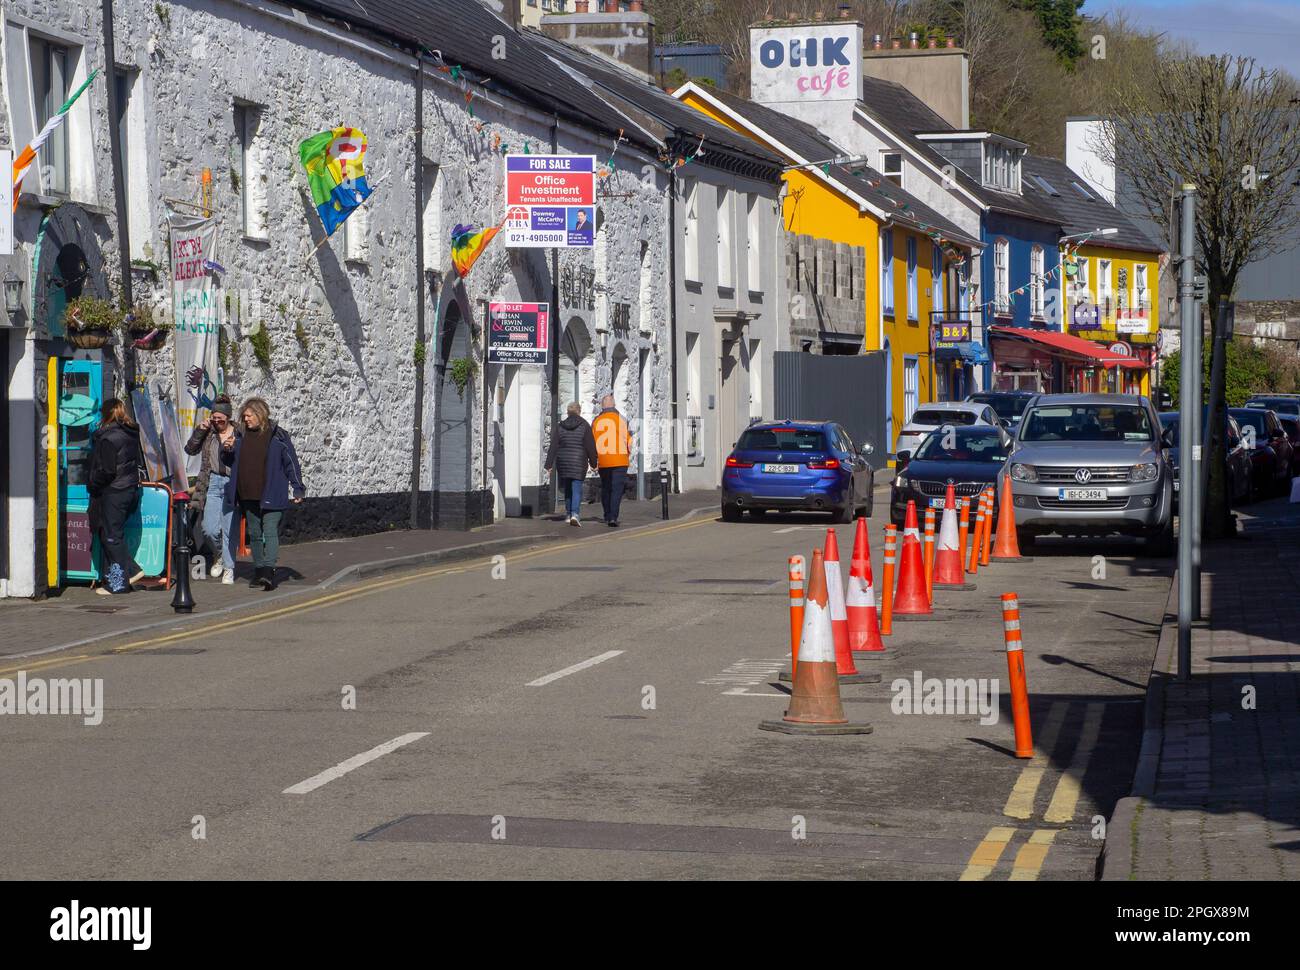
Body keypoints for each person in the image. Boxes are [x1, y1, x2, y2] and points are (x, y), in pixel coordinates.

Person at [221, 397, 305, 591]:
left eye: (249, 415)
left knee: (269, 530)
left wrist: (298, 487)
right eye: (244, 416)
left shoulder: (278, 436)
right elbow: (228, 461)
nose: (246, 419)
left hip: (272, 493)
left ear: (260, 414)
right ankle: (259, 571)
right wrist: (226, 450)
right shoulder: (240, 435)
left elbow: (291, 462)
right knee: (255, 534)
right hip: (247, 492)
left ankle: (268, 571)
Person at [87, 398, 145, 595]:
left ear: (105, 414)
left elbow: (107, 470)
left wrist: (92, 483)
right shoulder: (130, 433)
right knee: (109, 534)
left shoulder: (109, 438)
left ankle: (119, 583)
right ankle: (123, 575)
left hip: (114, 491)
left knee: (112, 537)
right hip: (129, 489)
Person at [185, 395, 239, 585]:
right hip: (213, 482)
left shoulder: (239, 432)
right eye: (214, 418)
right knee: (208, 529)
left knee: (229, 530)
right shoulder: (209, 432)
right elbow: (190, 449)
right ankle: (219, 556)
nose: (217, 422)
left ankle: (229, 569)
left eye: (221, 418)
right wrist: (200, 430)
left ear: (228, 417)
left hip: (233, 483)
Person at [545, 402, 597, 526]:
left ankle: (568, 514)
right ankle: (575, 514)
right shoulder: (584, 425)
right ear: (579, 411)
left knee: (568, 488)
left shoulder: (560, 426)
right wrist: (594, 463)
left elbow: (554, 445)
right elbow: (590, 446)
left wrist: (548, 464)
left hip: (563, 461)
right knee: (576, 488)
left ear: (568, 412)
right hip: (579, 461)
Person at [591, 393, 633, 527]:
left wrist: (593, 460)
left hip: (603, 459)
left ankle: (607, 514)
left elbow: (592, 442)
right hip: (620, 459)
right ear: (614, 405)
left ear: (602, 406)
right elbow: (630, 442)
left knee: (606, 488)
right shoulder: (622, 419)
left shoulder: (596, 421)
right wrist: (628, 454)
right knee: (617, 489)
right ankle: (613, 517)